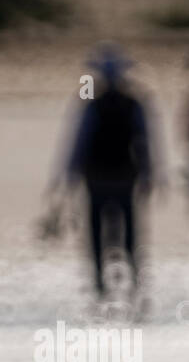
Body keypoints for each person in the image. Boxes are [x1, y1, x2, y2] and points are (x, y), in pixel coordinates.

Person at [56, 46, 155, 299]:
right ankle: (132, 281)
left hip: (99, 177)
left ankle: (102, 283)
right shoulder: (133, 103)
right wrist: (148, 174)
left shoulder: (93, 104)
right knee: (129, 231)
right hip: (122, 176)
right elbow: (145, 141)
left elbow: (79, 141)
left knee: (98, 231)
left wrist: (69, 176)